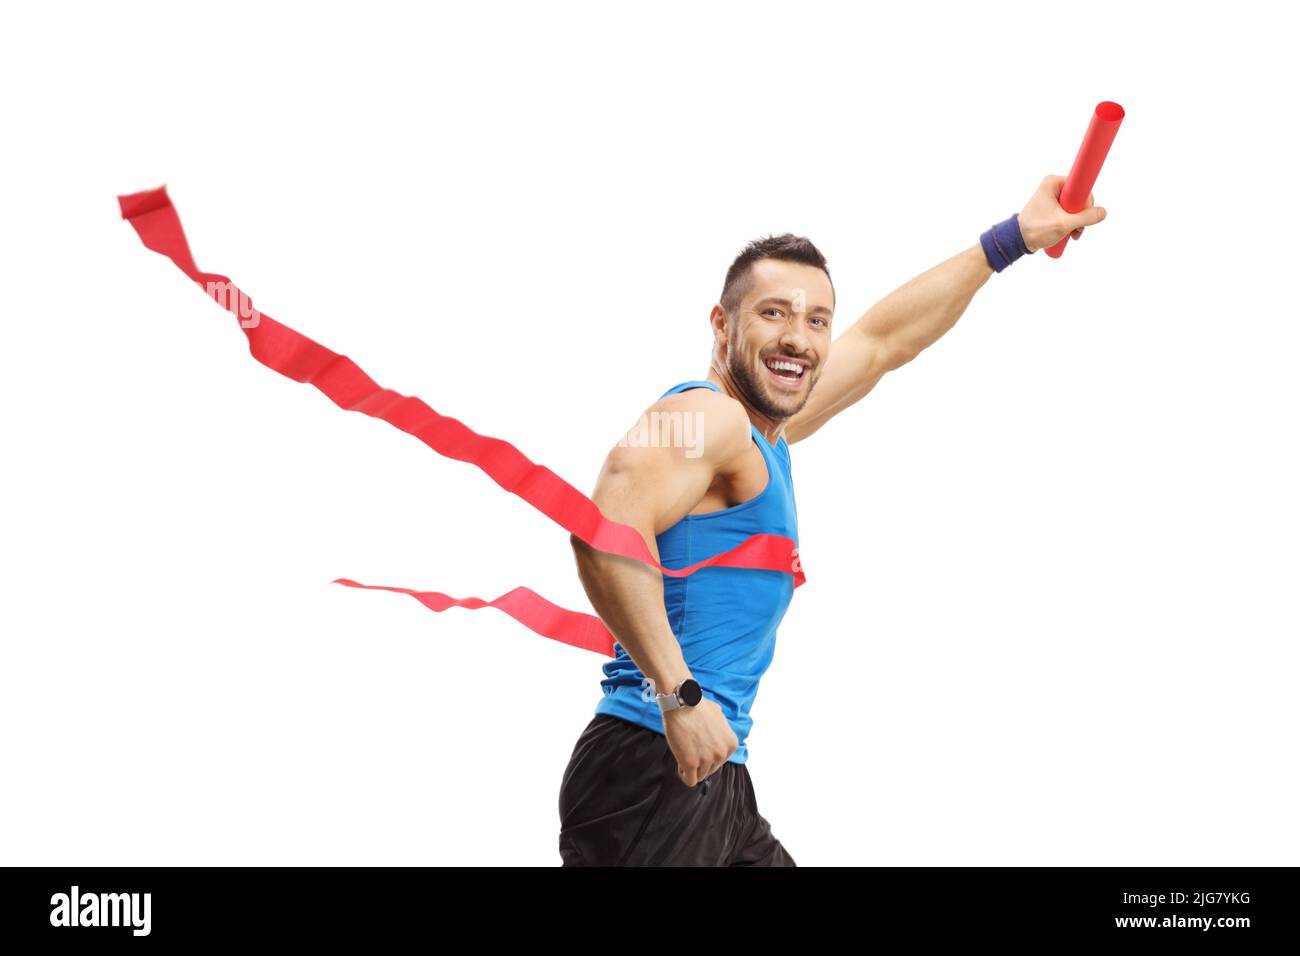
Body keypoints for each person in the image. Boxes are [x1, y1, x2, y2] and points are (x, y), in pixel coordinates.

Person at [558, 176, 1108, 866]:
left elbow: (882, 341)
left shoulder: (759, 434)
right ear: (722, 324)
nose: (799, 338)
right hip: (653, 765)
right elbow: (603, 527)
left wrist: (1011, 240)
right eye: (774, 314)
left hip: (713, 773)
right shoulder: (706, 416)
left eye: (817, 320)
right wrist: (680, 696)